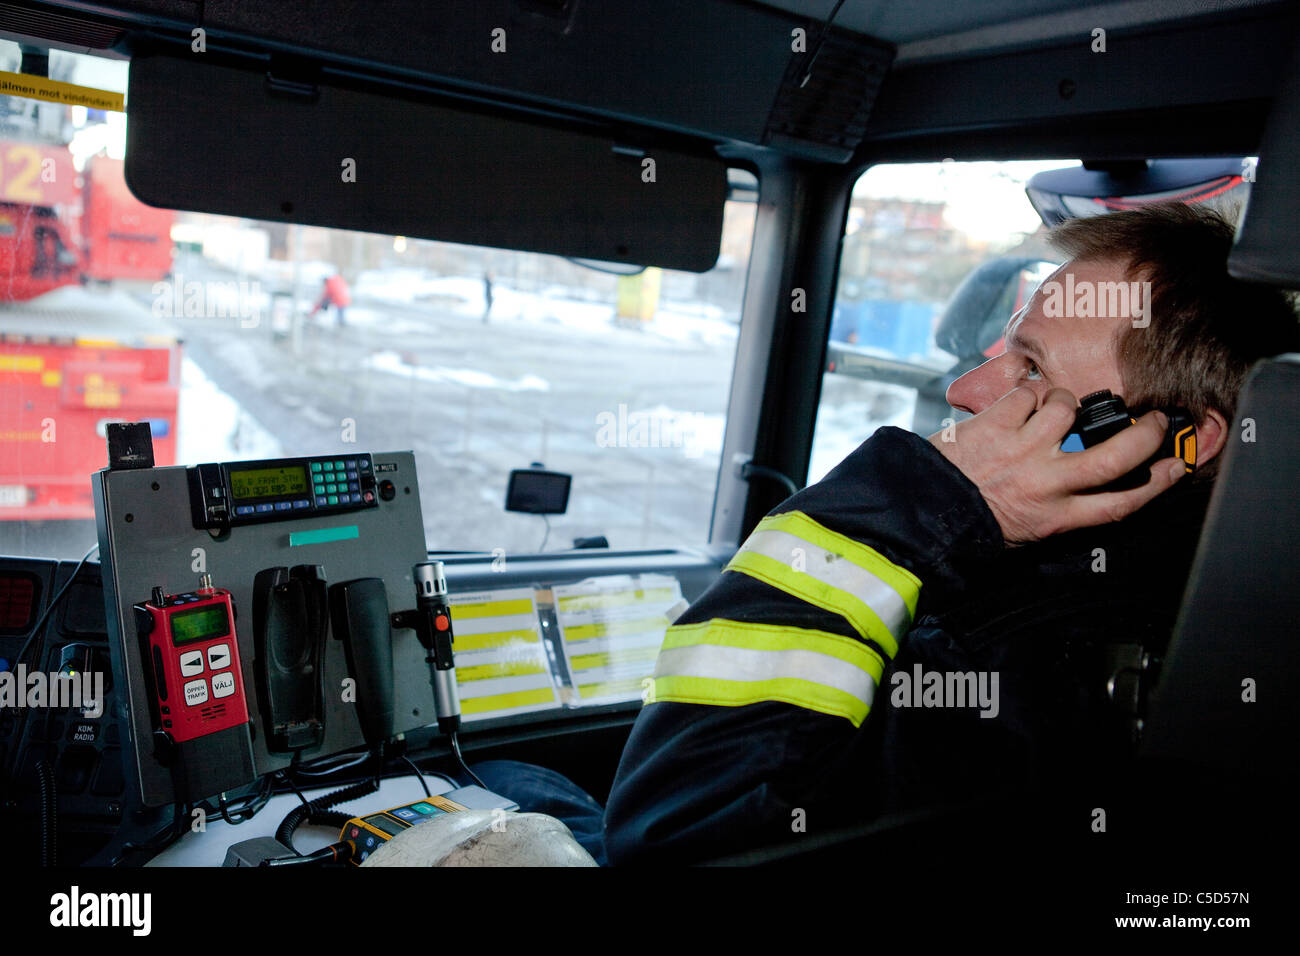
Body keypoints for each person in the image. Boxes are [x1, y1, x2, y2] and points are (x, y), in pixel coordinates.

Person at [594, 201, 1300, 864]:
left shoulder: (1023, 661)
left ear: (1178, 441)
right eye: (1000, 352)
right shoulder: (1155, 595)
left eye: (1030, 368)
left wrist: (902, 512)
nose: (966, 390)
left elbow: (673, 840)